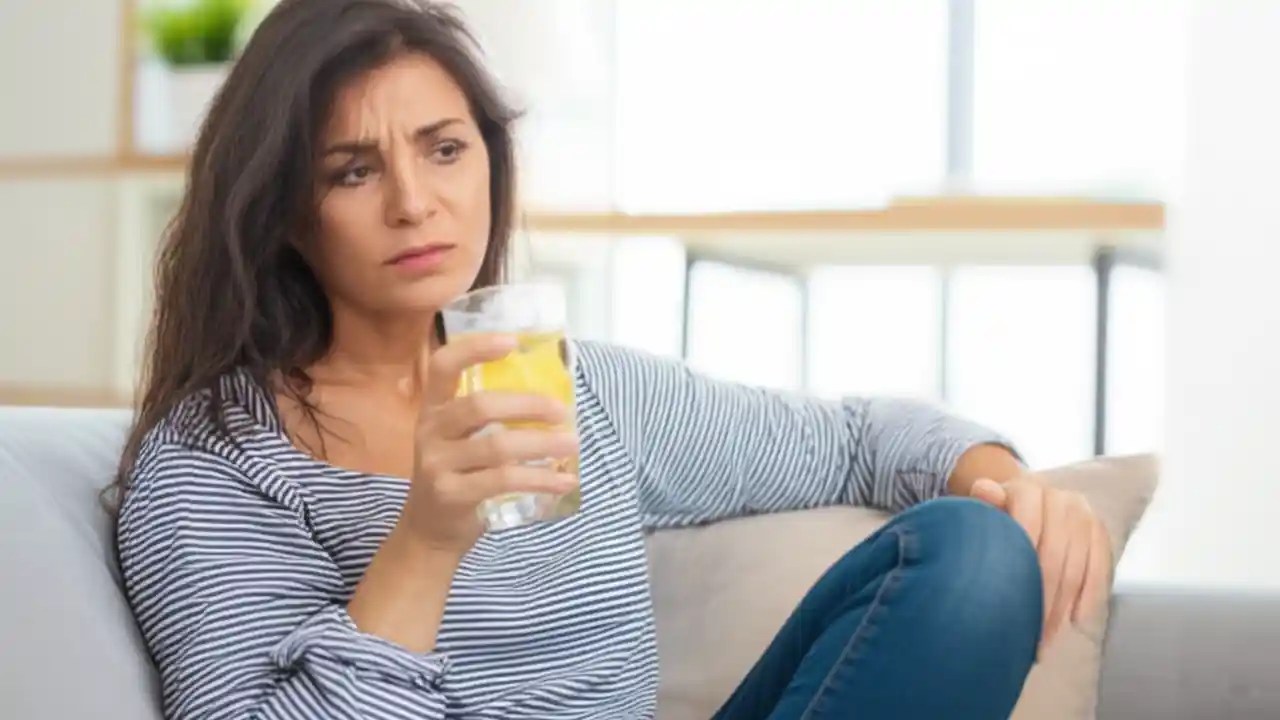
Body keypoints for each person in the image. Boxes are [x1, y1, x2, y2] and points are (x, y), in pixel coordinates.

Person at [111, 1, 1113, 718]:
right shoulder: (214, 463)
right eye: (353, 170)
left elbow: (852, 440)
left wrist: (1005, 479)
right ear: (285, 213)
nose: (415, 202)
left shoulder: (577, 390)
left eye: (445, 149)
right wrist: (423, 541)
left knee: (971, 556)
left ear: (492, 165)